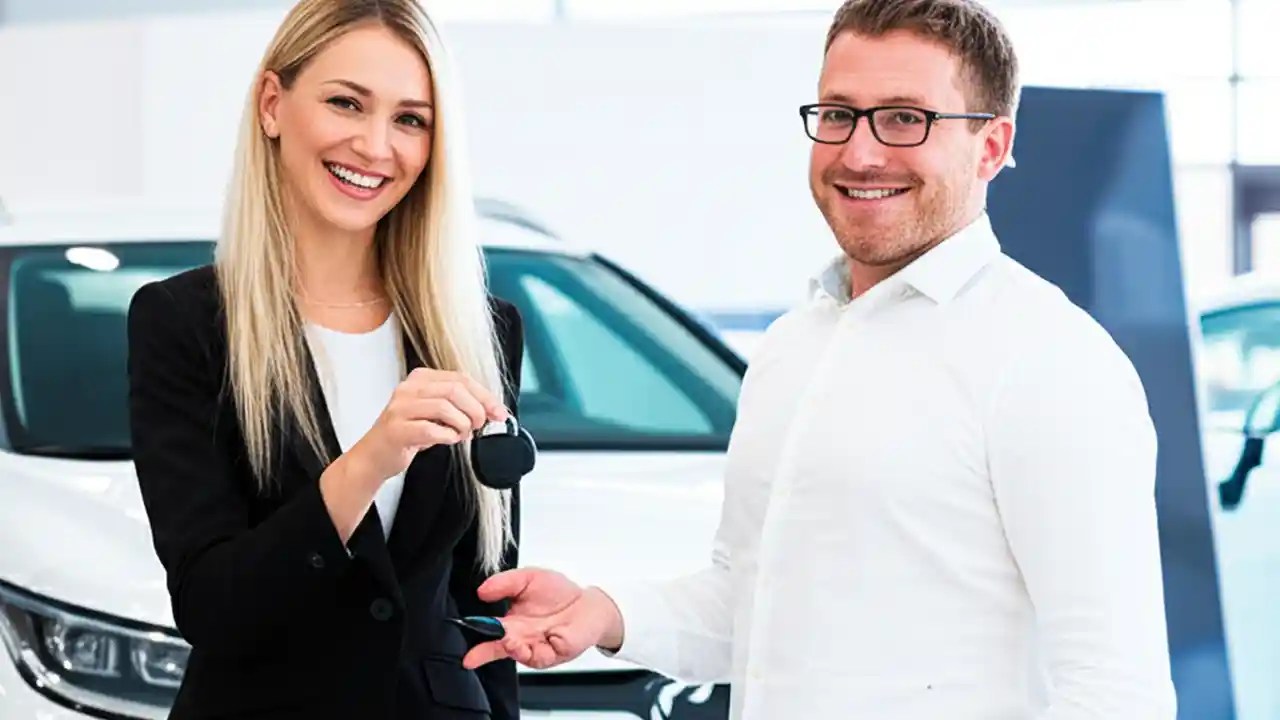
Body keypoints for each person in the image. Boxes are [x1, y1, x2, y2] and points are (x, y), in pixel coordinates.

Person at [462, 0, 1178, 718]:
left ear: (991, 146)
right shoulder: (793, 346)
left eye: (906, 118)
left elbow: (1116, 688)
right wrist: (603, 614)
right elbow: (757, 601)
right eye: (839, 113)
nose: (860, 153)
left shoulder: (1052, 361)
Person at [126, 1, 524, 717]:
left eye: (411, 119)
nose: (376, 146)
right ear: (273, 104)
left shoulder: (481, 331)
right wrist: (371, 459)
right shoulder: (186, 324)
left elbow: (482, 598)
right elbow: (213, 606)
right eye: (347, 103)